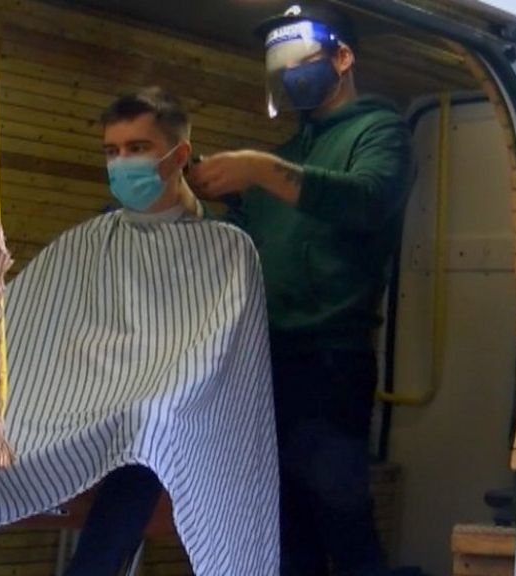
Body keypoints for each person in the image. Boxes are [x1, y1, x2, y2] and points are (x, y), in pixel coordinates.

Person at [0, 87, 280, 576]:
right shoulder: (89, 240)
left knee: (147, 428)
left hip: (160, 411)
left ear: (179, 155)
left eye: (137, 148)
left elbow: (213, 353)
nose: (121, 163)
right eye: (112, 151)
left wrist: (147, 395)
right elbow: (24, 326)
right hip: (68, 405)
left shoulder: (227, 249)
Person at [190, 4, 414, 576]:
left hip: (330, 359)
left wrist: (260, 170)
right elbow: (251, 241)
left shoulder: (380, 131)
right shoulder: (289, 154)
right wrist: (196, 206)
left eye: (301, 63)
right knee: (285, 523)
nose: (292, 79)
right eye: (281, 71)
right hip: (266, 360)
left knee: (341, 514)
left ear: (343, 57)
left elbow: (367, 199)